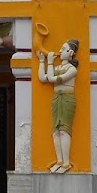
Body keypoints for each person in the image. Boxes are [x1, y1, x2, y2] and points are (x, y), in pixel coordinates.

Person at [37, 39, 78, 173]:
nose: (60, 51)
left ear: (70, 52)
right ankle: (59, 160)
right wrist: (42, 61)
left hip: (66, 98)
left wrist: (49, 62)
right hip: (56, 98)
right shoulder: (59, 67)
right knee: (56, 131)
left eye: (63, 49)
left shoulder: (72, 69)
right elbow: (43, 78)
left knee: (64, 130)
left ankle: (66, 163)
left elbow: (53, 79)